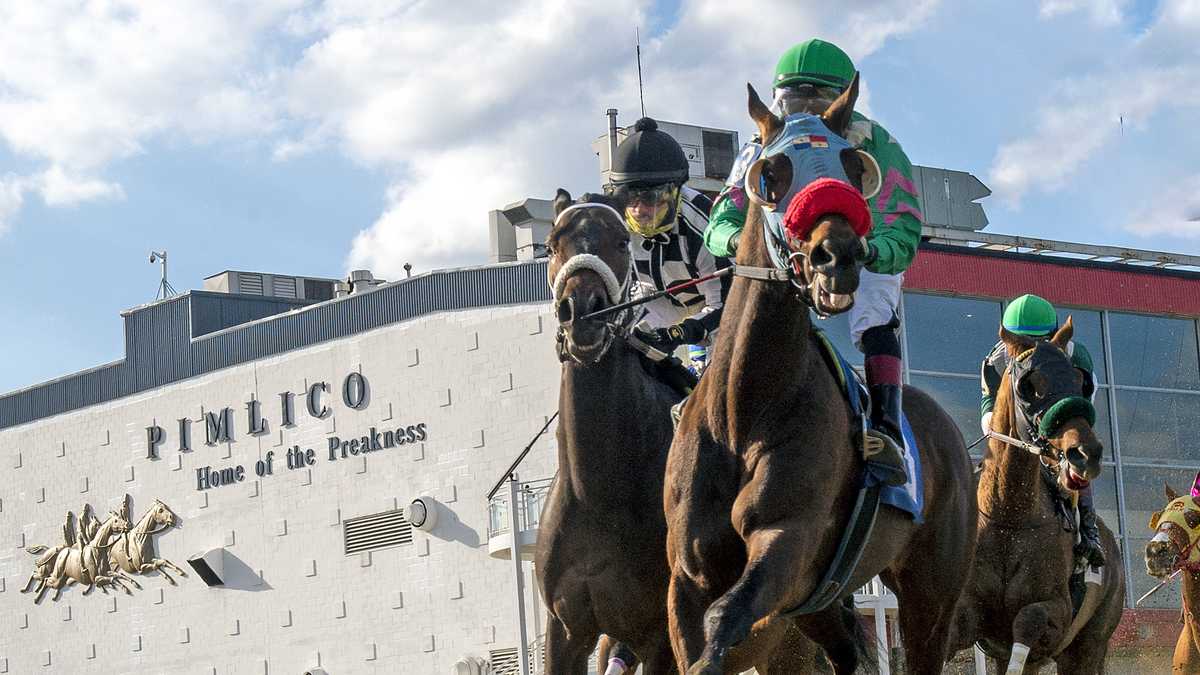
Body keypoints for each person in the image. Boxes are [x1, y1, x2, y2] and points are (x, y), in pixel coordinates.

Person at [704, 38, 922, 477]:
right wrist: (735, 245)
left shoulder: (875, 142)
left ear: (842, 101)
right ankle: (704, 406)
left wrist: (873, 251)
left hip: (857, 246)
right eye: (791, 99)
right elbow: (723, 214)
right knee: (740, 308)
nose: (802, 110)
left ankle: (886, 427)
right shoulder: (761, 143)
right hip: (787, 250)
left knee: (874, 313)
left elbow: (903, 223)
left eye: (817, 99)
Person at [980, 294, 1105, 567]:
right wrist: (991, 422)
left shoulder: (1076, 356)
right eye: (1024, 342)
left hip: (1060, 423)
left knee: (1075, 465)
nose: (1035, 349)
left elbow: (1081, 405)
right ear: (1009, 340)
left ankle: (1089, 531)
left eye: (1042, 341)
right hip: (1017, 429)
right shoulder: (996, 359)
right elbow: (988, 402)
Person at [605, 117, 730, 357]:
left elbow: (727, 306)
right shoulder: (614, 224)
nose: (639, 210)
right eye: (630, 197)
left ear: (676, 193)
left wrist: (683, 333)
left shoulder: (705, 227)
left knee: (712, 362)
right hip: (660, 300)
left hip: (714, 302)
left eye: (651, 198)